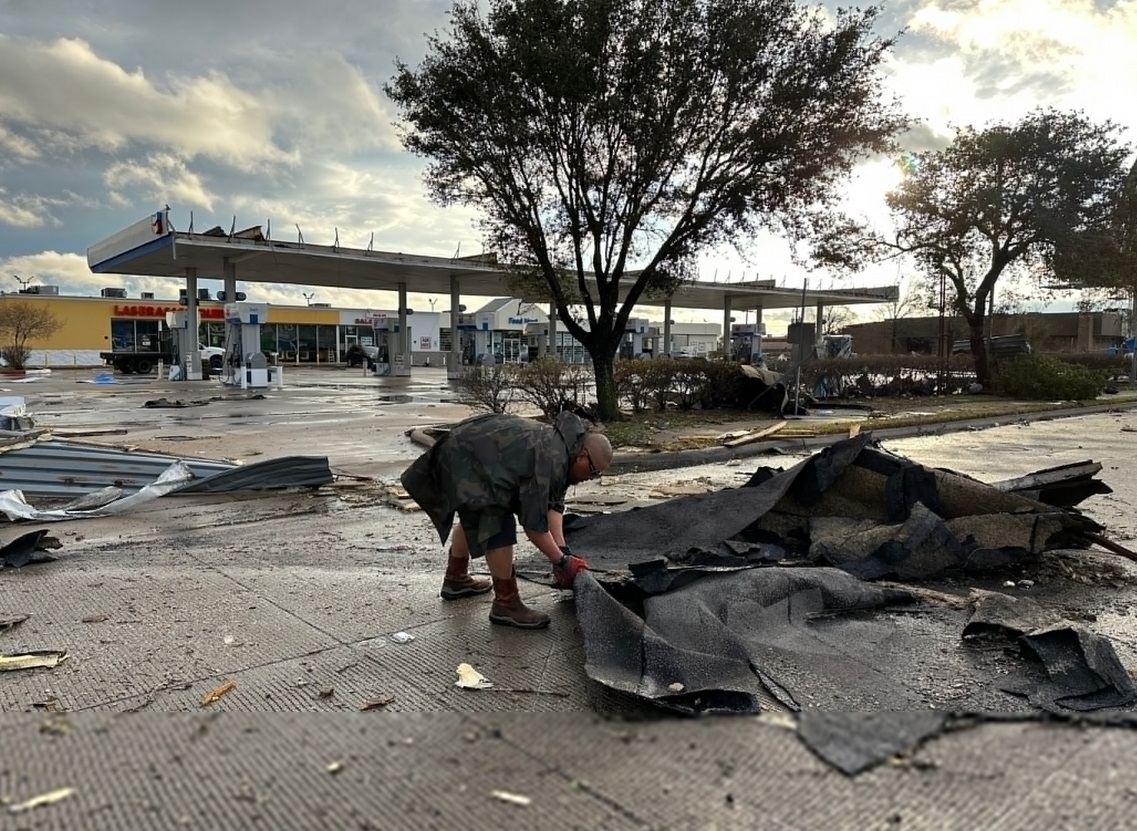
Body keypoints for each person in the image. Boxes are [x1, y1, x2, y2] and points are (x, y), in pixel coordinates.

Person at [400, 410, 613, 630]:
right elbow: (533, 525)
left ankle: (456, 579)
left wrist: (563, 551)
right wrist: (561, 562)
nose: (591, 478)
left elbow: (553, 506)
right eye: (593, 472)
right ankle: (506, 603)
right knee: (495, 519)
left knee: (476, 510)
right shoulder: (551, 459)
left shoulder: (565, 448)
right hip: (464, 456)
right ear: (583, 456)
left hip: (471, 451)